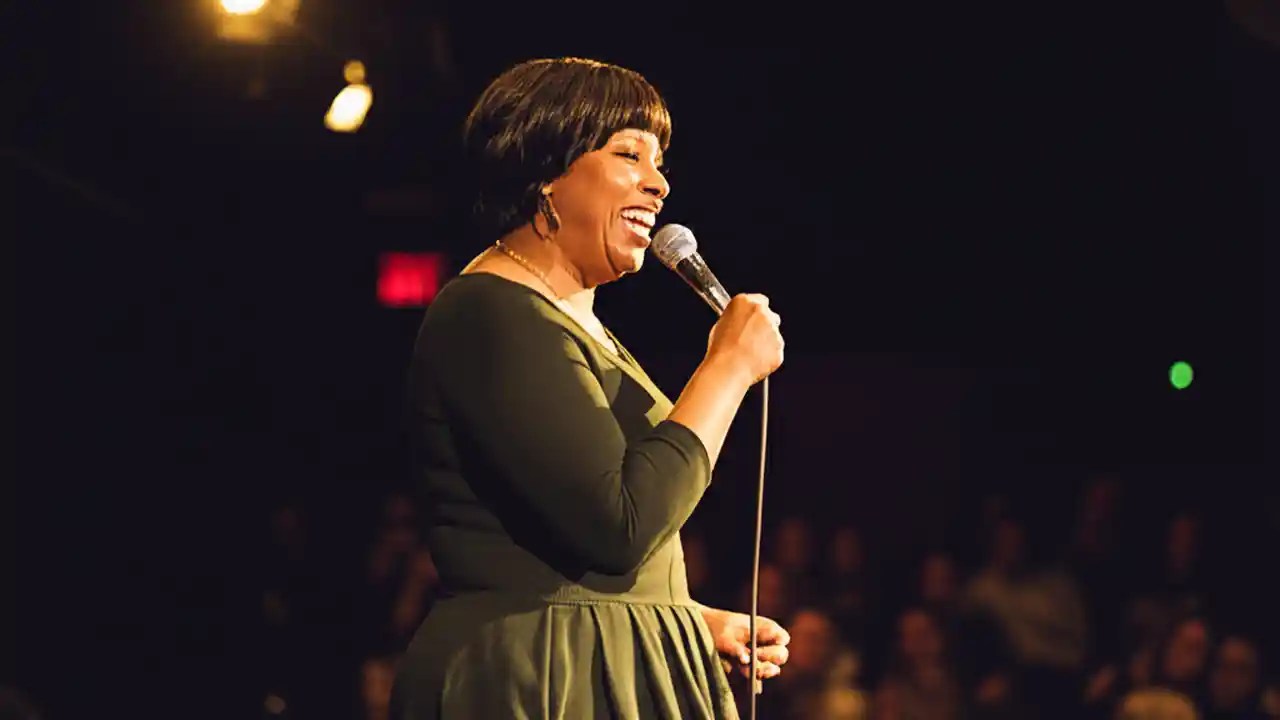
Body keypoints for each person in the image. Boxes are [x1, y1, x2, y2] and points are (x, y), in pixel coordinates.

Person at [390, 57, 791, 719]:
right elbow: (618, 524)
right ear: (547, 172)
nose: (658, 184)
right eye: (628, 153)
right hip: (541, 678)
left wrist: (682, 621)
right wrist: (725, 370)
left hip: (601, 660)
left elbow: (574, 537)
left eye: (660, 161)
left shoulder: (571, 320)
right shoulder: (493, 311)